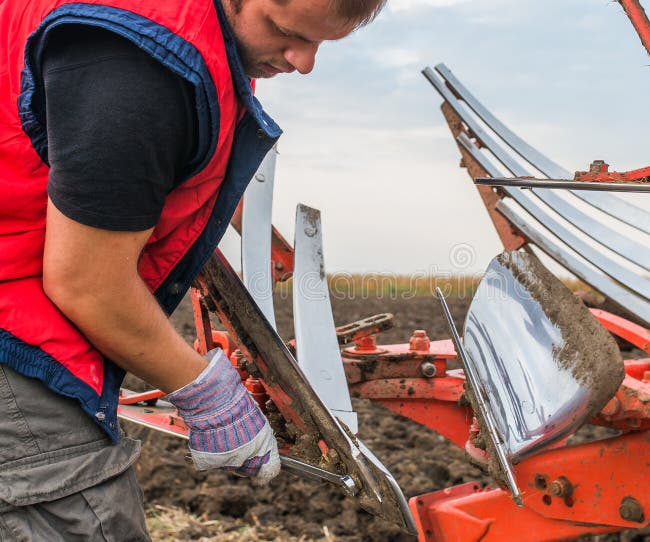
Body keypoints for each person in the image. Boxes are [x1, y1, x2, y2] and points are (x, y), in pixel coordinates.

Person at [0, 0, 385, 539]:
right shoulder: (141, 65)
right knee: (84, 519)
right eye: (284, 32)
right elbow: (86, 282)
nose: (304, 63)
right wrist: (203, 390)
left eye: (322, 43)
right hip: (14, 334)